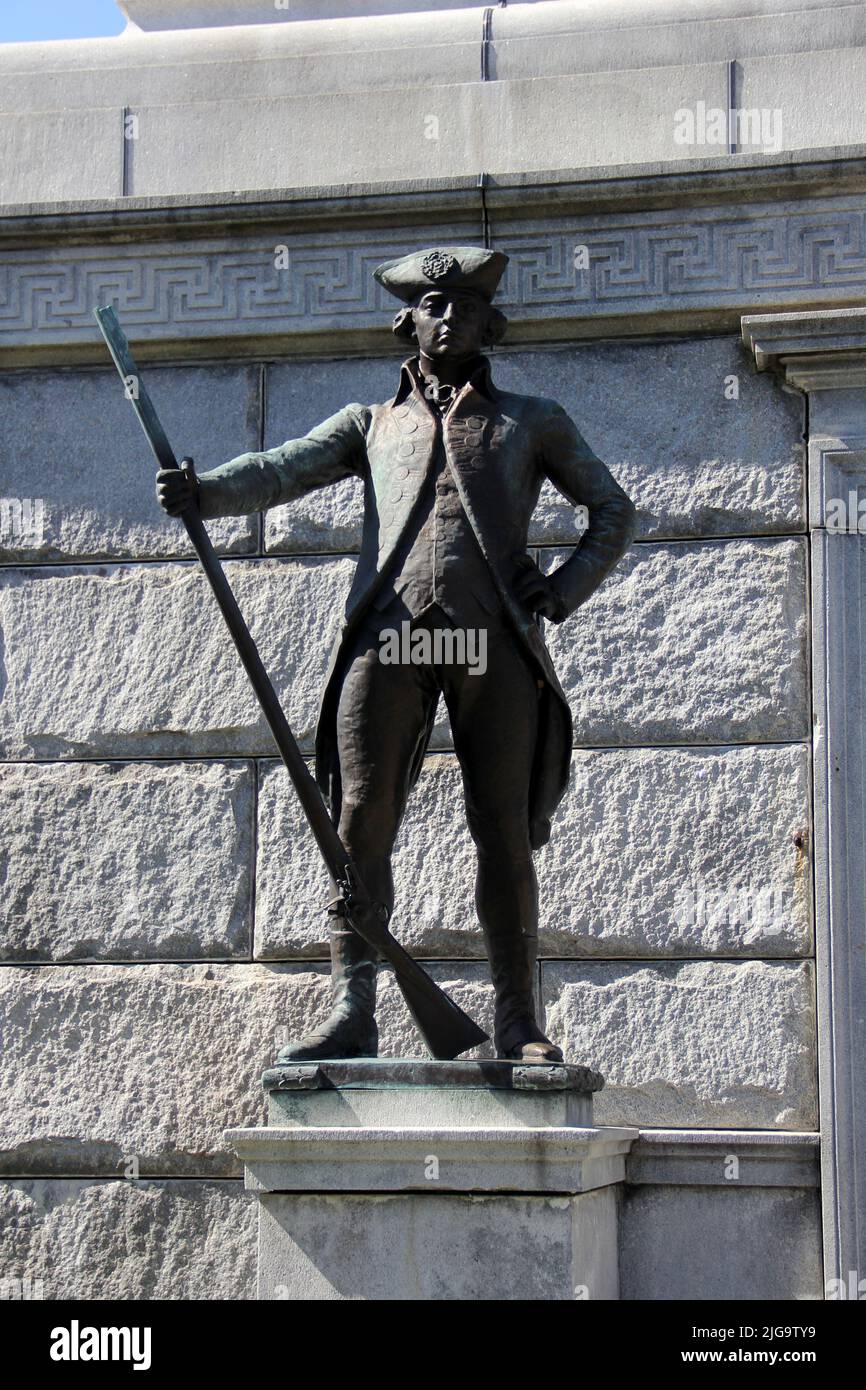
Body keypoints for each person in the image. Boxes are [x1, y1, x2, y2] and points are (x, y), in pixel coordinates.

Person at [156, 246, 637, 1063]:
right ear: (408, 321)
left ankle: (519, 1022)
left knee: (503, 831)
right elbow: (283, 469)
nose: (449, 319)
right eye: (434, 307)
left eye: (466, 308)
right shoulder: (369, 425)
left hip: (495, 646)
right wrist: (205, 492)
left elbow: (613, 511)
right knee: (358, 823)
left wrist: (560, 590)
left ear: (491, 322)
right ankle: (355, 1011)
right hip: (391, 639)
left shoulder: (533, 420)